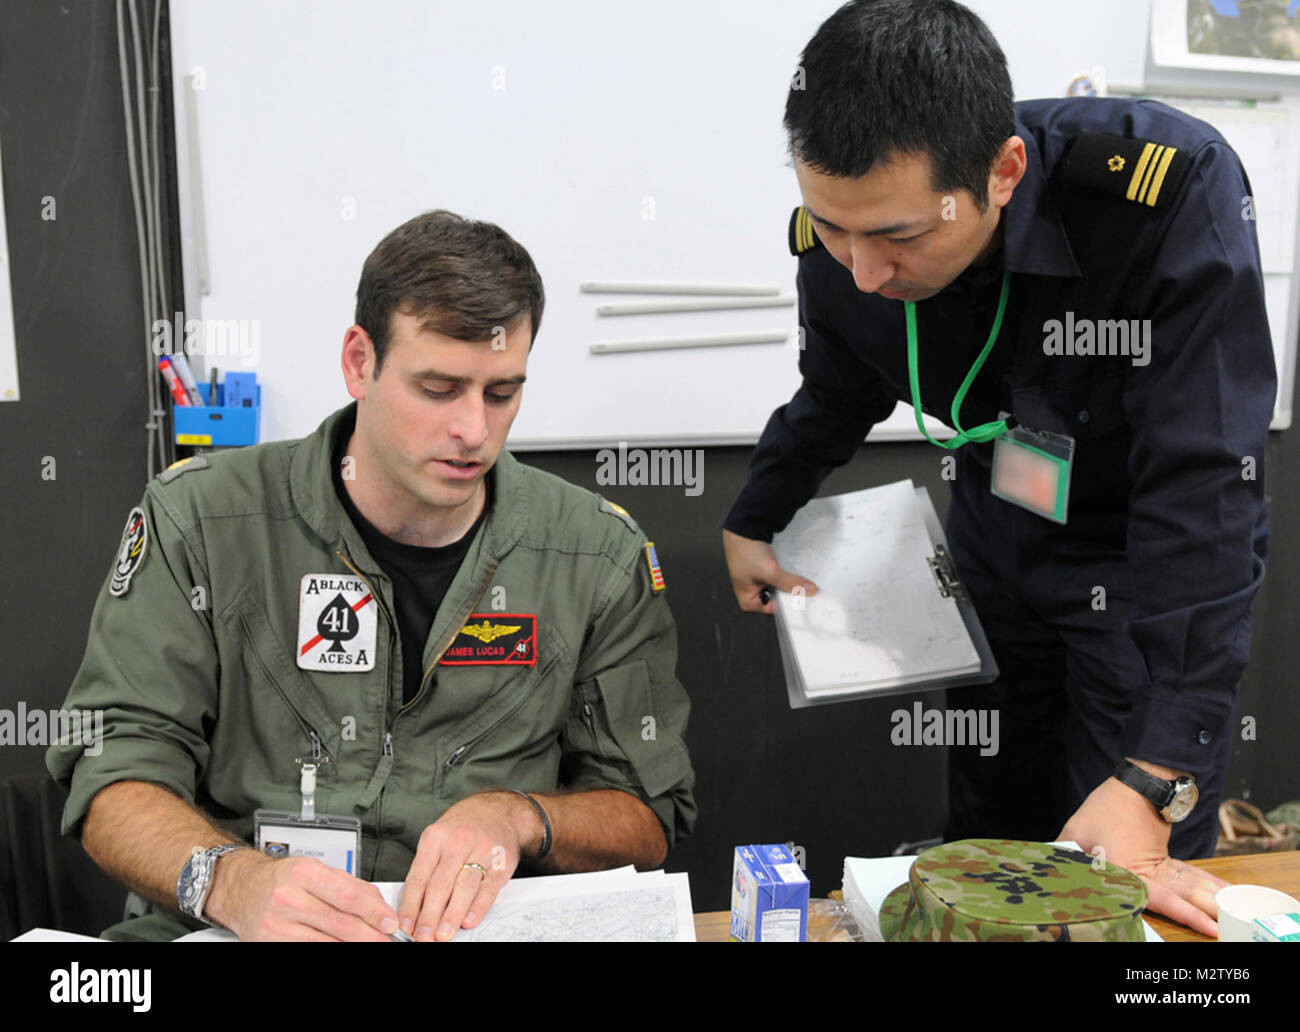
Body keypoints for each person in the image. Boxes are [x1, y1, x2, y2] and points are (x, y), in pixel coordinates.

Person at [722, 0, 1275, 937]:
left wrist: (1157, 775)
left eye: (897, 238)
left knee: (1124, 883)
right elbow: (838, 386)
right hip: (997, 544)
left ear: (1003, 171)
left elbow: (1207, 485)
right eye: (831, 228)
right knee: (985, 841)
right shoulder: (852, 228)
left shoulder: (1163, 195)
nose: (859, 268)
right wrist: (754, 513)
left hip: (1142, 571)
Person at [47, 210, 696, 941]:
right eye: (440, 388)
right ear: (360, 361)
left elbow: (647, 812)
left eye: (501, 392)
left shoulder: (595, 554)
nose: (474, 431)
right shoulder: (201, 520)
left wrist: (523, 818)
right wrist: (232, 881)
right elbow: (114, 774)